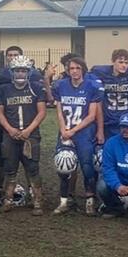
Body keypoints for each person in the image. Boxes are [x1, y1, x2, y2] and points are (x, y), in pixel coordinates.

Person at [0, 56, 47, 215]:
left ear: (29, 72)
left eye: (23, 70)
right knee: (9, 168)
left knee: (33, 168)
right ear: (12, 72)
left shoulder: (36, 88)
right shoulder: (3, 89)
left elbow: (42, 112)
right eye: (17, 70)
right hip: (10, 135)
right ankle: (8, 200)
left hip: (30, 135)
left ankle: (37, 200)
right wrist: (9, 129)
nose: (20, 74)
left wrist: (28, 130)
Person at [52, 57, 104, 216]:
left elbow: (91, 115)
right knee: (63, 163)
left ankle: (90, 200)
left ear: (83, 69)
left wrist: (73, 131)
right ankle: (64, 201)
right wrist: (63, 130)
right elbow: (59, 111)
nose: (74, 71)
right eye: (71, 68)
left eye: (77, 68)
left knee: (87, 166)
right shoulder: (61, 85)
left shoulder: (92, 86)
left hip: (84, 132)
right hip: (66, 130)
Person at [91, 49, 128, 141]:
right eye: (120, 62)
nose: (124, 65)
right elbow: (89, 73)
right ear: (113, 61)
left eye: (126, 62)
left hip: (126, 119)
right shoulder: (101, 71)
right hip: (108, 119)